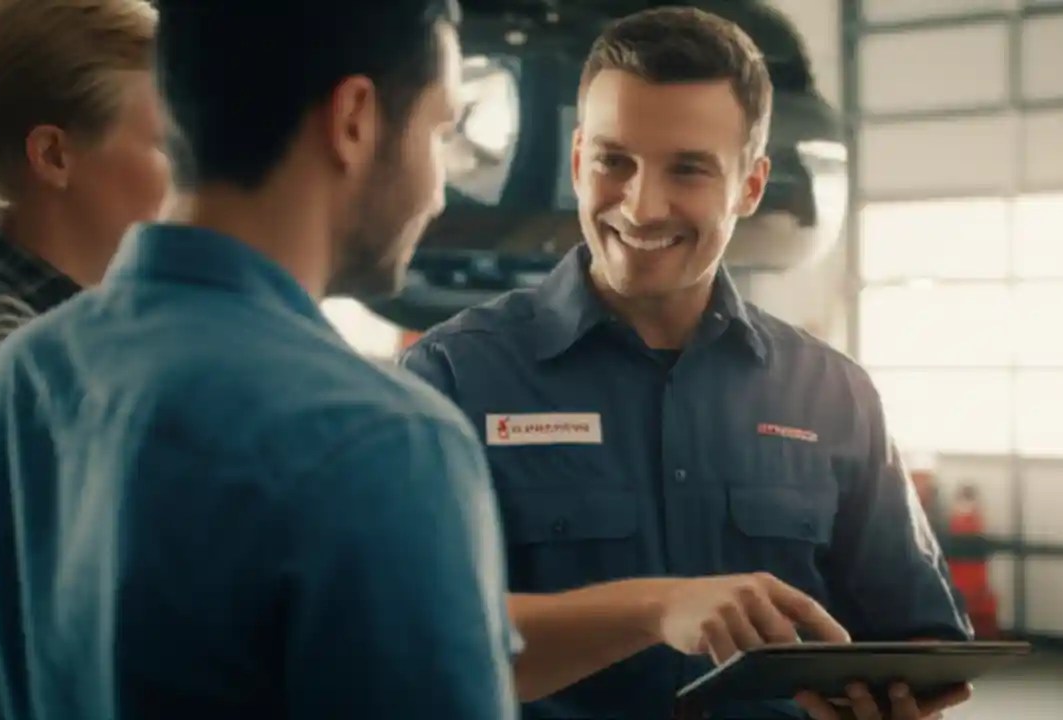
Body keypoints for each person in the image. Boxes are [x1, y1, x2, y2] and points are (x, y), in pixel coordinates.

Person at [401, 7, 973, 720]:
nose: (642, 206)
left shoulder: (834, 395)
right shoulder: (454, 380)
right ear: (579, 162)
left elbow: (912, 630)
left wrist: (892, 700)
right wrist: (654, 608)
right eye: (615, 162)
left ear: (751, 186)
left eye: (690, 170)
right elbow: (419, 637)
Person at [0, 1, 518, 719]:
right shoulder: (384, 439)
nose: (438, 192)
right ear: (354, 118)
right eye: (439, 130)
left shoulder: (11, 379)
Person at [0, 0, 170, 374]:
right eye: (168, 145)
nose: (190, 175)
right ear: (53, 155)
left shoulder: (84, 335)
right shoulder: (7, 358)